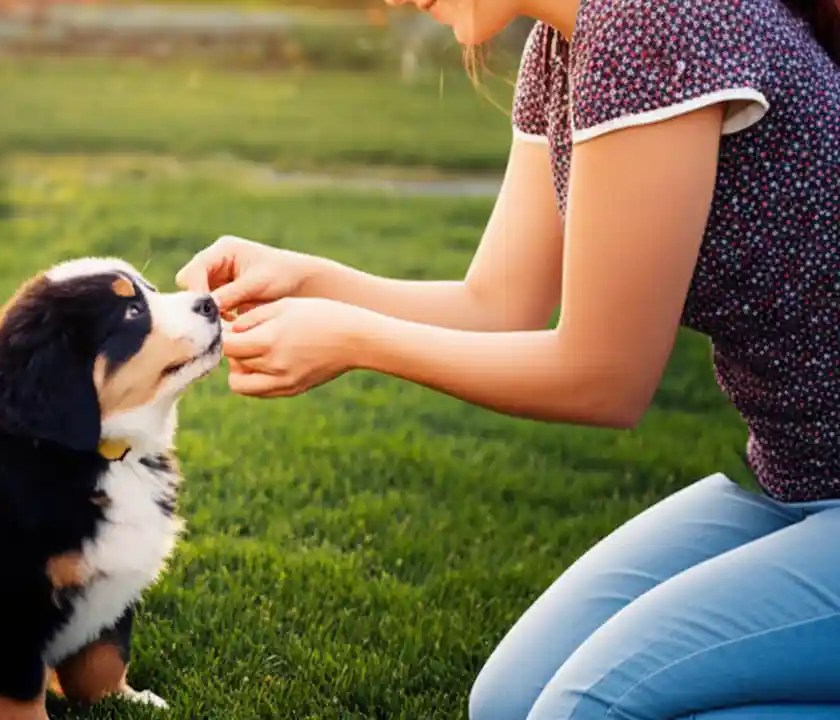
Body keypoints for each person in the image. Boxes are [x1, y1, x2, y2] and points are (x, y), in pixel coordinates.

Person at [174, 0, 840, 718]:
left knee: (580, 712)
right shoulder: (563, 50)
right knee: (507, 702)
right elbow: (496, 303)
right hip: (795, 484)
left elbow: (605, 379)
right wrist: (310, 278)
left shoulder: (650, 24)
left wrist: (353, 339)